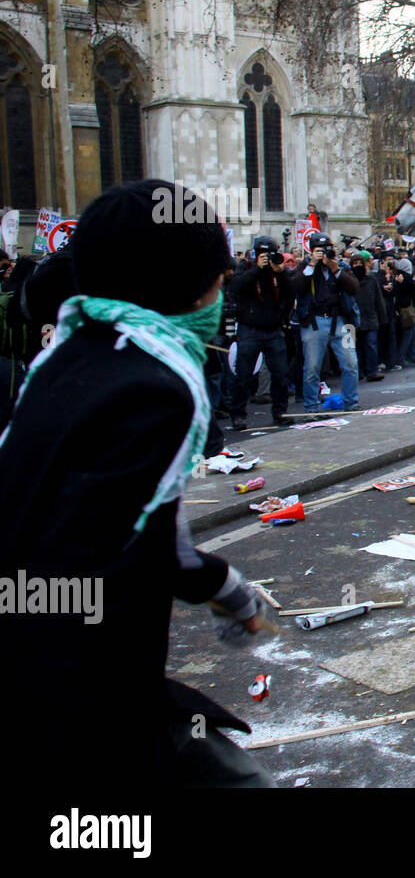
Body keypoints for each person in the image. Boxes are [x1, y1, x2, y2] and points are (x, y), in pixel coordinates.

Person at [0, 180, 274, 786]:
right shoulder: (155, 388)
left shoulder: (72, 354)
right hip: (76, 689)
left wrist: (225, 590)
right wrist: (230, 592)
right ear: (184, 286)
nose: (220, 296)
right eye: (218, 280)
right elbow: (134, 550)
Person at [227, 235, 293, 430]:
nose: (267, 258)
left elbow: (291, 294)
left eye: (269, 254)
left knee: (280, 374)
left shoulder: (277, 271)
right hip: (250, 329)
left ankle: (280, 412)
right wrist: (257, 268)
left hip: (273, 329)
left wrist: (280, 273)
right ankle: (238, 415)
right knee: (244, 375)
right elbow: (235, 287)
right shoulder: (246, 267)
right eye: (263, 254)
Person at [293, 231, 360, 412]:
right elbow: (295, 286)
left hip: (341, 321)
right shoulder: (305, 268)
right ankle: (311, 407)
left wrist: (335, 269)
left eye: (327, 249)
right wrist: (312, 265)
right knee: (312, 367)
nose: (324, 253)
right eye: (319, 250)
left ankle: (351, 403)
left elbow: (354, 288)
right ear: (312, 251)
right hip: (314, 322)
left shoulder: (340, 266)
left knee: (351, 363)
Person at [352, 250, 386, 381]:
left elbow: (378, 298)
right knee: (355, 348)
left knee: (371, 345)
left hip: (370, 316)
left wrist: (382, 317)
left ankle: (372, 370)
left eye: (360, 263)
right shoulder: (348, 278)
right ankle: (358, 372)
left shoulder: (371, 278)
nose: (357, 266)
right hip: (353, 319)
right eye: (354, 264)